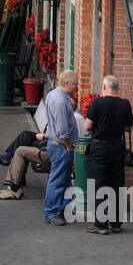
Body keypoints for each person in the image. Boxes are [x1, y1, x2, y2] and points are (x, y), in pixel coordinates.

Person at [83, 74, 133, 235]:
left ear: (104, 88)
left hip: (99, 148)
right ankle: (116, 223)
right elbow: (129, 128)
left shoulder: (97, 102)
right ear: (117, 88)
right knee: (116, 184)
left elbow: (87, 126)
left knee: (99, 184)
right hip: (117, 147)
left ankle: (101, 224)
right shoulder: (125, 104)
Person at [0, 111, 85, 200]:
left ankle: (14, 188)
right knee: (25, 137)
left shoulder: (68, 118)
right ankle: (14, 178)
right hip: (59, 149)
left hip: (57, 152)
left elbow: (62, 137)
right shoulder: (76, 116)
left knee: (20, 150)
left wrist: (46, 136)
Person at [42, 69, 80, 224]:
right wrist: (69, 146)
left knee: (63, 180)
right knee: (57, 180)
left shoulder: (55, 95)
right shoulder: (60, 101)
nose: (76, 87)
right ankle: (51, 213)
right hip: (61, 146)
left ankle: (63, 210)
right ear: (67, 83)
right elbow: (62, 130)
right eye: (75, 84)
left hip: (57, 144)